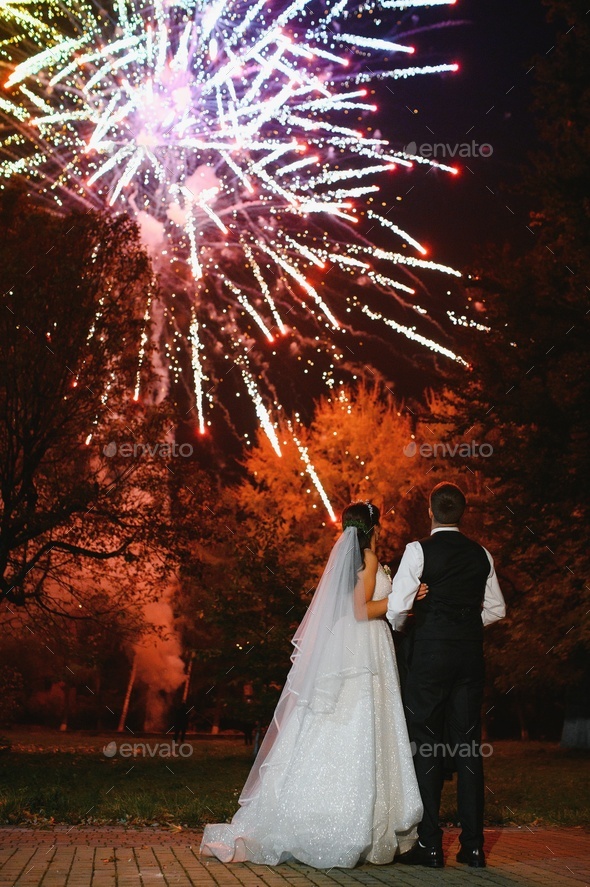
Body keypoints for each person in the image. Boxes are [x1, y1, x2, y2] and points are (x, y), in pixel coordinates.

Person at [200, 502, 423, 868]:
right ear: (371, 529)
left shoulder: (349, 562)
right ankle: (353, 823)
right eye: (379, 526)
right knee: (362, 721)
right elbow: (359, 609)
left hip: (357, 648)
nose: (382, 531)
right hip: (365, 648)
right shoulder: (366, 560)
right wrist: (400, 601)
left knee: (349, 723)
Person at [387, 482, 506, 869]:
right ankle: (473, 848)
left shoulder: (418, 550)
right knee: (469, 746)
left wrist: (409, 628)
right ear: (463, 512)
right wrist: (466, 626)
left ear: (430, 510)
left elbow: (397, 608)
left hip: (430, 657)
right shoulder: (481, 554)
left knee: (425, 742)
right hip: (470, 657)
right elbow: (496, 610)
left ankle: (430, 844)